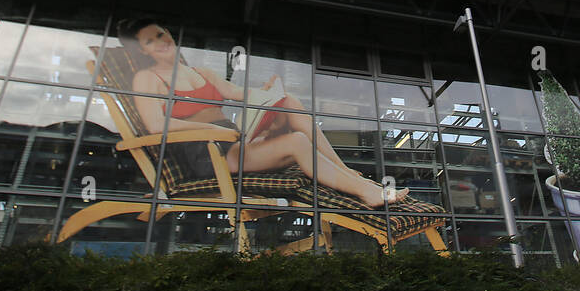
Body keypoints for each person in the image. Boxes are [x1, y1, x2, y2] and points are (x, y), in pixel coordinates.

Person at [116, 18, 409, 207]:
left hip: (234, 143)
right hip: (208, 153)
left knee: (289, 101)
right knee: (296, 142)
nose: (161, 41)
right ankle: (365, 191)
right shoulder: (148, 79)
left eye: (160, 33)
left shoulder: (202, 72)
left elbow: (243, 96)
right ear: (142, 51)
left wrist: (269, 93)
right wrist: (216, 132)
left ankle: (349, 175)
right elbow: (155, 126)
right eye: (149, 41)